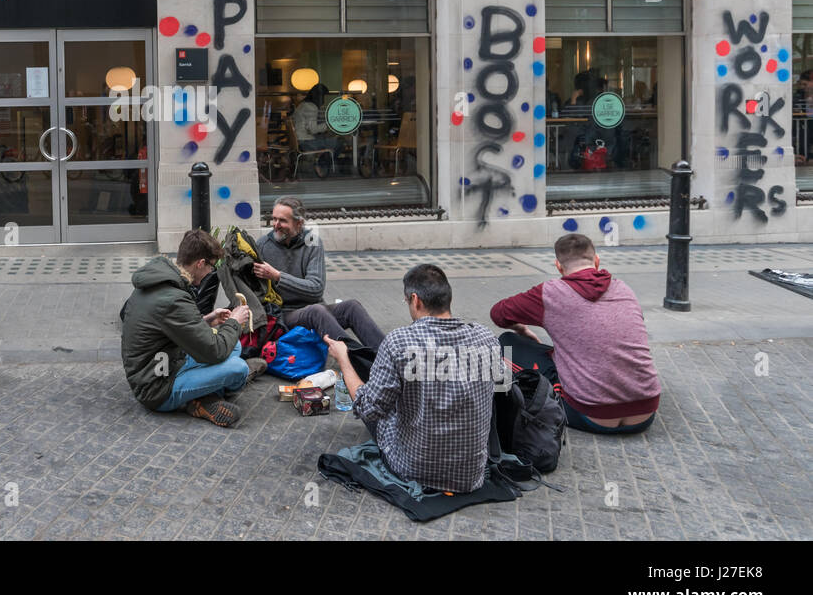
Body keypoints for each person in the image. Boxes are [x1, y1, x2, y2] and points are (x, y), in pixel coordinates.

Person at [324, 264, 501, 494]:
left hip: (413, 468)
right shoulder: (487, 338)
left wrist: (343, 359)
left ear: (415, 300)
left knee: (375, 400)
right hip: (470, 474)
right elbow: (497, 388)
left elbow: (367, 409)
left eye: (406, 301)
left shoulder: (399, 341)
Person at [490, 233, 661, 434]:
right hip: (646, 412)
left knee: (507, 343)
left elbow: (498, 313)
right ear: (596, 262)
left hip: (589, 415)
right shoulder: (623, 288)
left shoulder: (550, 292)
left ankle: (506, 403)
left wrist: (520, 328)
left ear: (558, 266)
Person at [120, 230, 263, 427]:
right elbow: (215, 351)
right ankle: (204, 396)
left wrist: (207, 320)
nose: (211, 273)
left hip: (166, 361)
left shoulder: (161, 281)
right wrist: (235, 322)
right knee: (237, 368)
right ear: (200, 263)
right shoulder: (173, 298)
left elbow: (170, 328)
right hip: (157, 388)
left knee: (236, 347)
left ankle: (202, 396)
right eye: (211, 267)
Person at [253, 196, 385, 350]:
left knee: (351, 307)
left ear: (299, 223)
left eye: (282, 220)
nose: (276, 225)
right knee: (316, 311)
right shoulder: (262, 245)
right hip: (283, 314)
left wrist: (277, 276)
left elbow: (315, 289)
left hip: (316, 310)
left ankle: (388, 355)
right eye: (274, 219)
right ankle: (357, 358)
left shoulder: (312, 241)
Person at [292, 83, 342, 160]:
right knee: (339, 143)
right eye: (324, 96)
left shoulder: (303, 104)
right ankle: (322, 165)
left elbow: (309, 126)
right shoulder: (311, 107)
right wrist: (330, 123)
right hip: (306, 142)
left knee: (329, 139)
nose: (324, 99)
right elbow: (313, 130)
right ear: (319, 96)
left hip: (300, 140)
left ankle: (321, 163)